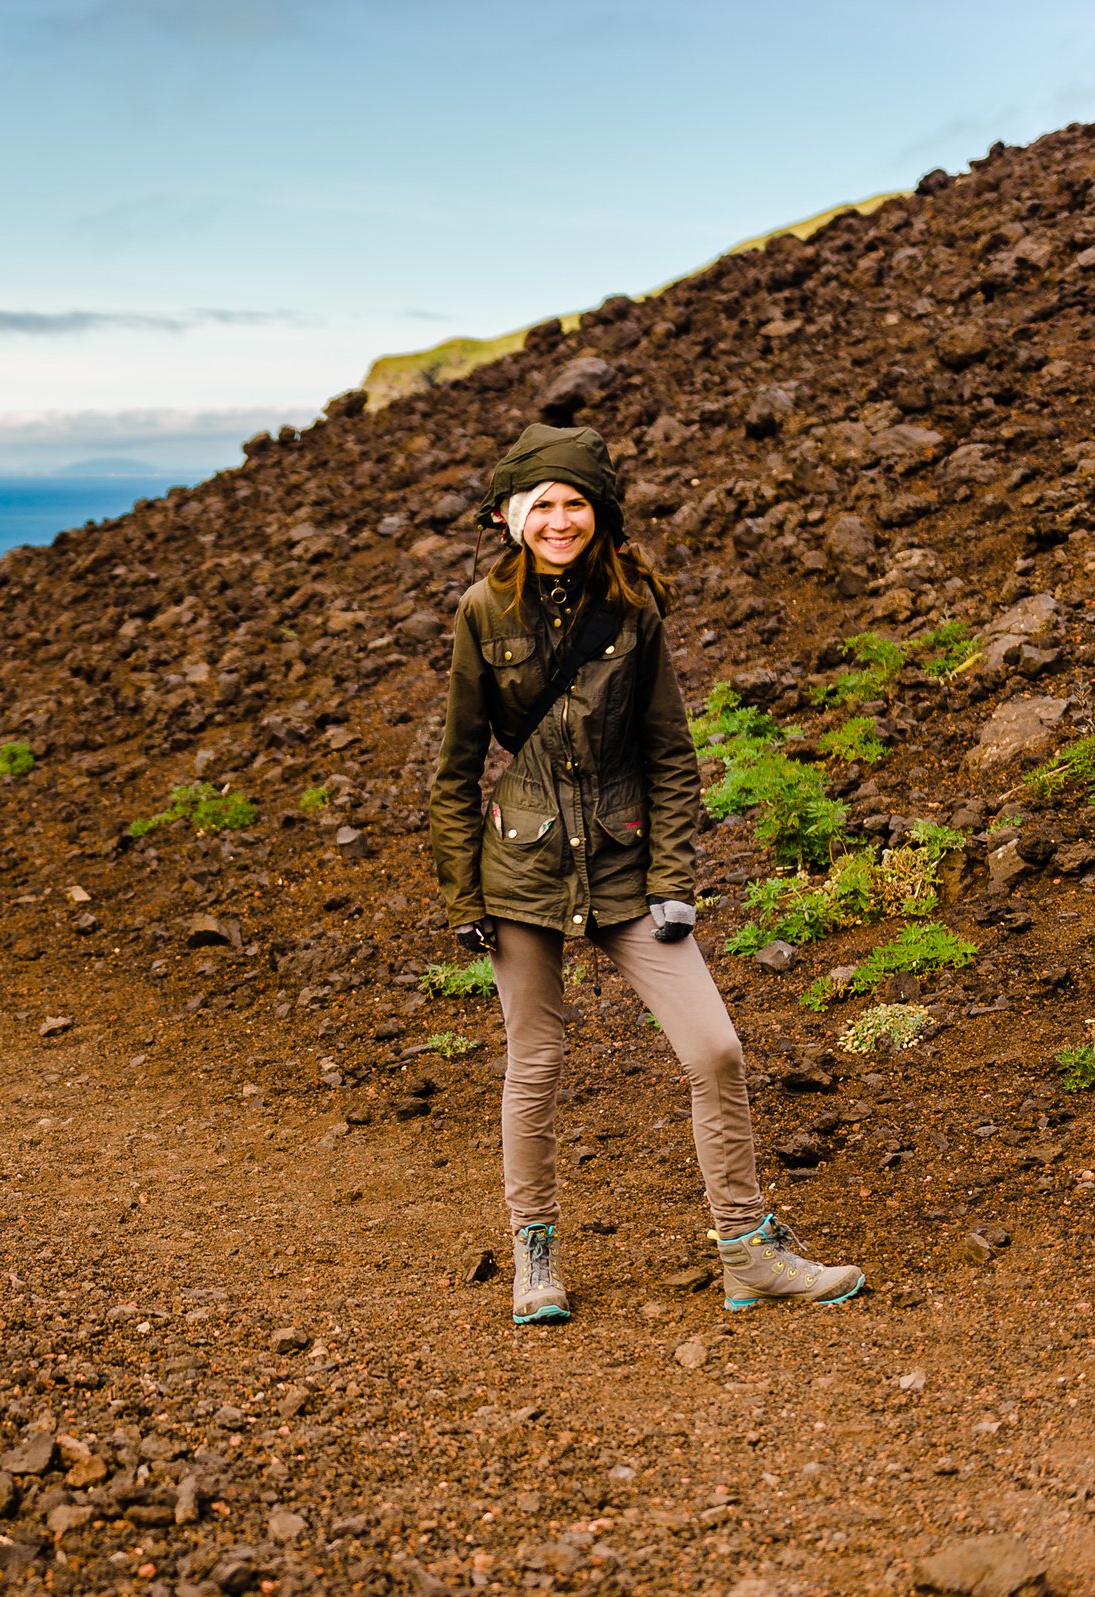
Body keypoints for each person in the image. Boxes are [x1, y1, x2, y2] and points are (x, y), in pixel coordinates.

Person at [427, 422, 863, 1325]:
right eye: (543, 505)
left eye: (575, 503)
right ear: (512, 516)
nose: (559, 520)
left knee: (715, 1049)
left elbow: (670, 754)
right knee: (535, 1062)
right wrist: (465, 896)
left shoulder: (632, 610)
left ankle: (748, 1252)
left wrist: (674, 880)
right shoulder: (481, 611)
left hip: (626, 867)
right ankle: (535, 1257)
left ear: (600, 512)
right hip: (523, 869)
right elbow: (456, 765)